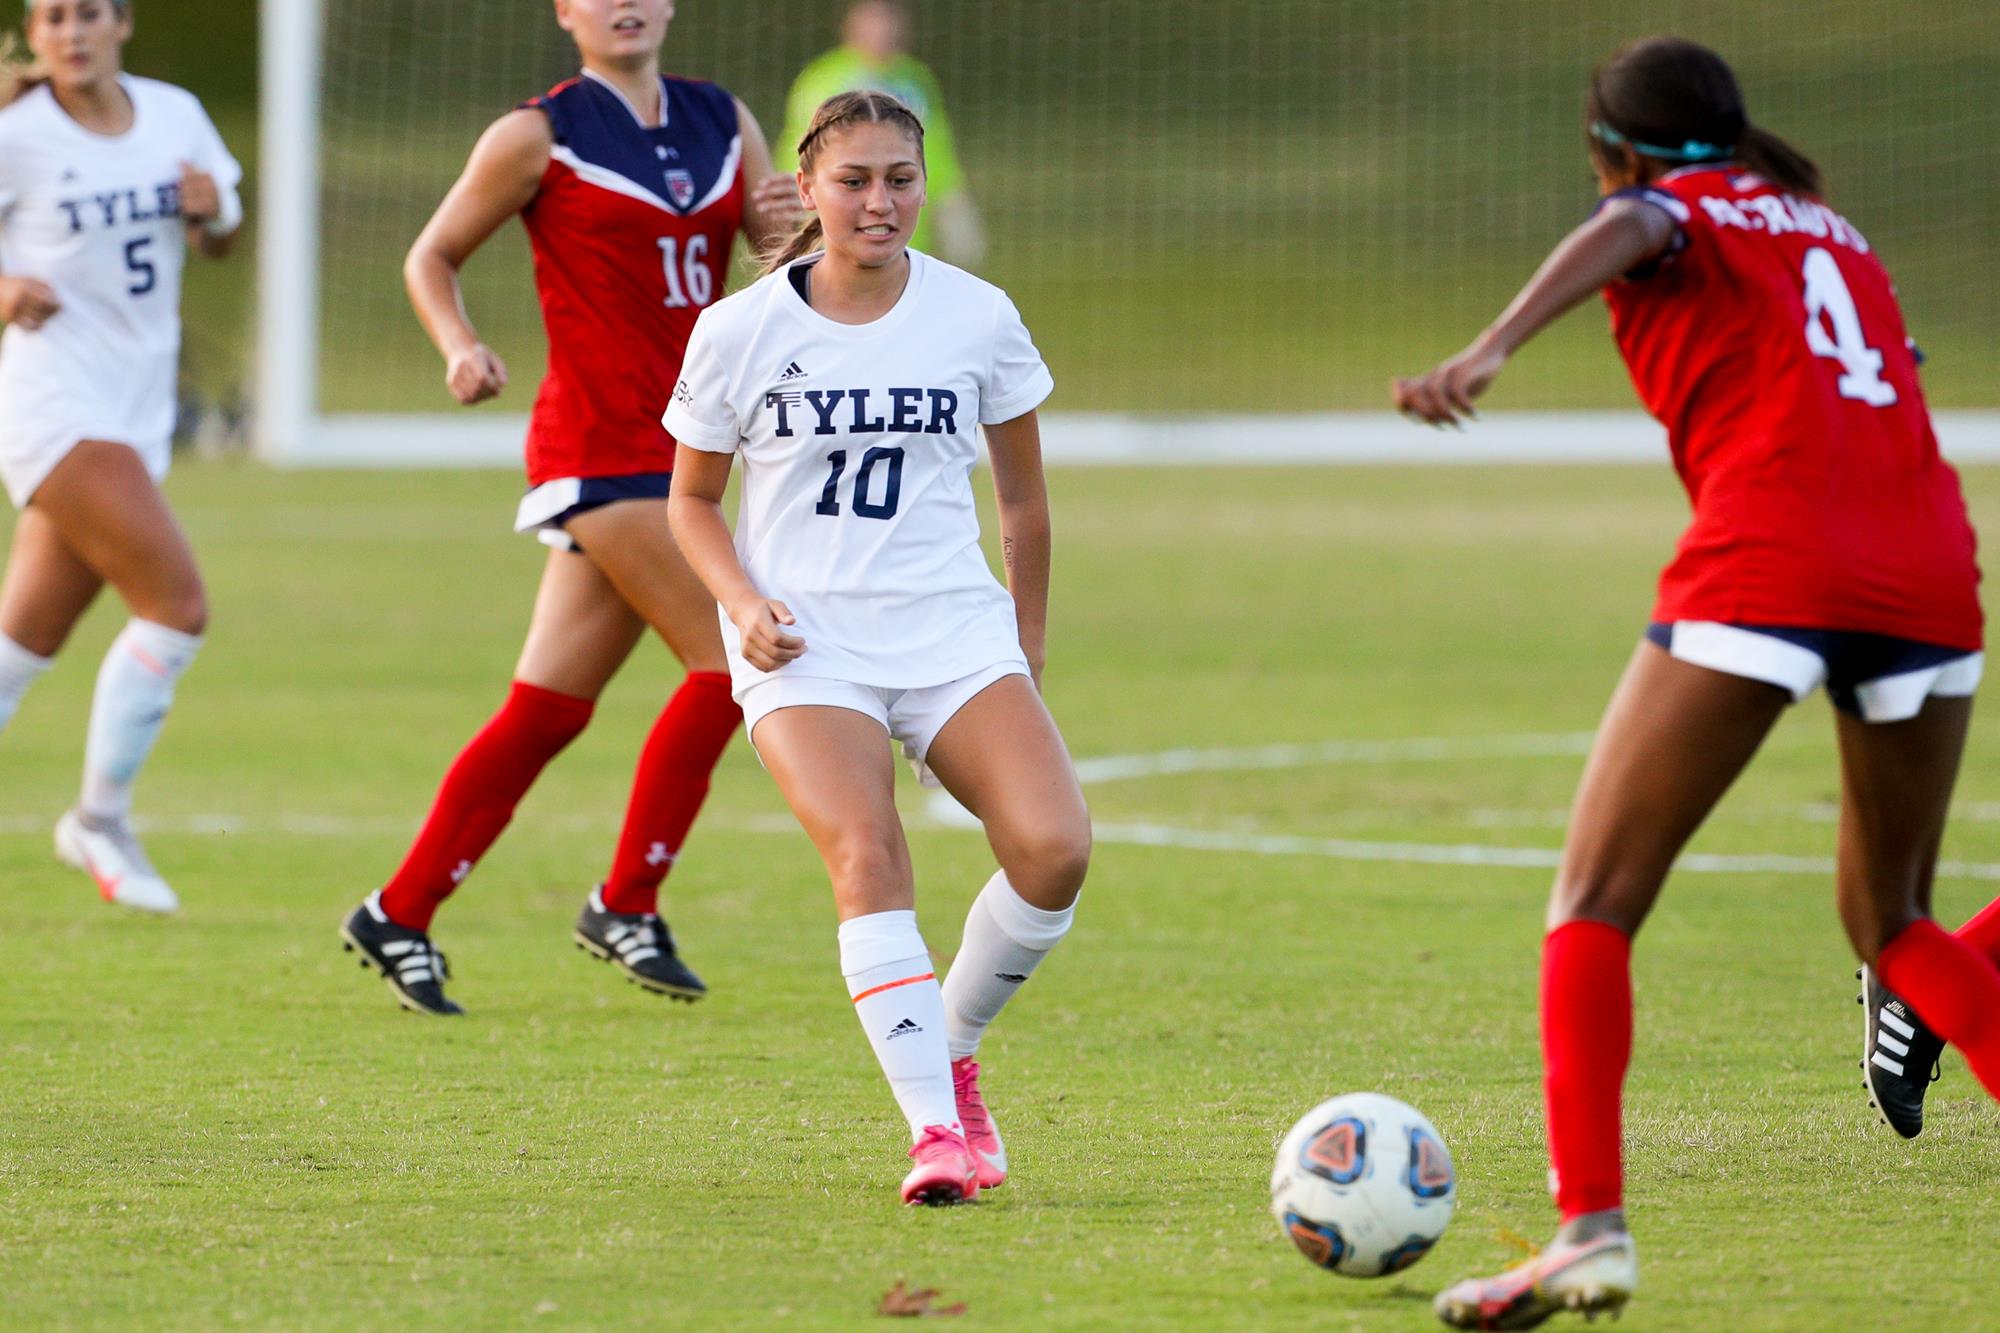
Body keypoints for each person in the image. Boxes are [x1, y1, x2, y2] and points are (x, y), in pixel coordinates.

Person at [1394, 37, 2000, 1329]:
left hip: (1773, 560)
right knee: (1893, 923)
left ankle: (1589, 1233)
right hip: (1935, 571)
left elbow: (1640, 223)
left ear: (1610, 147)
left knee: (1594, 899)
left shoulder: (1667, 206)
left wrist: (1493, 346)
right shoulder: (1832, 230)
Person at [666, 91, 1088, 1205]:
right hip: (806, 642)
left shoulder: (978, 315)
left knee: (1053, 849)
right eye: (853, 179)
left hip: (951, 629)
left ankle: (949, 1041)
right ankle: (934, 1135)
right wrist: (740, 602)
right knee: (868, 851)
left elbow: (1025, 506)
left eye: (899, 178)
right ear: (806, 189)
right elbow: (692, 504)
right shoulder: (741, 329)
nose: (879, 200)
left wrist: (1021, 646)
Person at [337, 0, 799, 1017]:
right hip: (600, 450)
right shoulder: (534, 133)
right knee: (733, 656)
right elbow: (430, 255)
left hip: (693, 446)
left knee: (543, 710)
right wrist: (459, 345)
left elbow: (774, 263)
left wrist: (794, 244)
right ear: (564, 11)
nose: (621, 3)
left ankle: (398, 911)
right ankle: (625, 900)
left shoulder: (724, 120)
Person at [0, 0, 241, 914]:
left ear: (122, 24)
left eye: (88, 14)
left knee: (21, 647)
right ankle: (99, 819)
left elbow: (220, 237)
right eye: (54, 17)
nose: (72, 31)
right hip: (52, 404)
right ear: (36, 31)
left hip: (138, 409)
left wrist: (213, 212)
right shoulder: (15, 135)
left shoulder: (175, 113)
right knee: (176, 607)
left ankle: (97, 819)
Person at [779, 0, 984, 266]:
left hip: (908, 234)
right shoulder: (823, 80)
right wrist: (797, 212)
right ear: (850, 26)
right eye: (873, 20)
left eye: (889, 20)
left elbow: (935, 147)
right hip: (840, 236)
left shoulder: (915, 79)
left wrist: (952, 201)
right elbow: (801, 151)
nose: (882, 30)